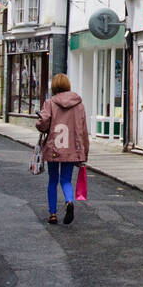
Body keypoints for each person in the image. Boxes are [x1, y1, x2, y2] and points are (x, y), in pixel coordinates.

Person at [35, 74, 89, 224]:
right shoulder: (79, 105)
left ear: (54, 87)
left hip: (54, 147)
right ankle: (69, 201)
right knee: (66, 180)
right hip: (72, 148)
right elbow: (83, 131)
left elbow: (43, 124)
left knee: (53, 180)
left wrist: (39, 123)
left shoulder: (50, 103)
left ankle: (52, 214)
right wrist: (84, 153)